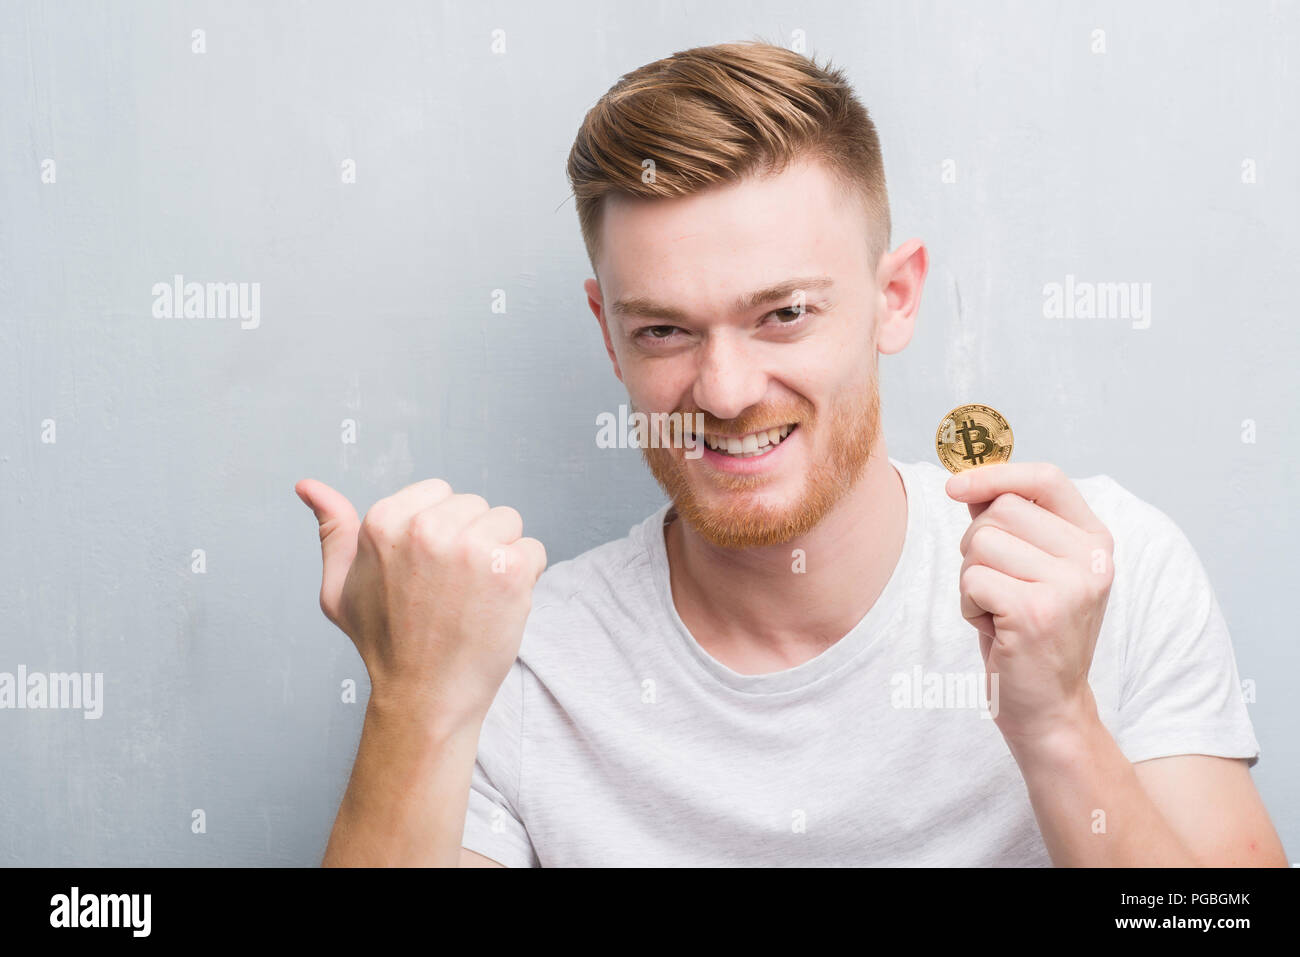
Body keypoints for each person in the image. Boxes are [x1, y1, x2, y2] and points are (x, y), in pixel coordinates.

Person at [295, 41, 1286, 867]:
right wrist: (415, 698)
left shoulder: (1103, 572)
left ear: (893, 298)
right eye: (663, 332)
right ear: (607, 334)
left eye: (784, 315)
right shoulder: (514, 662)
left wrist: (1060, 723)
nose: (724, 393)